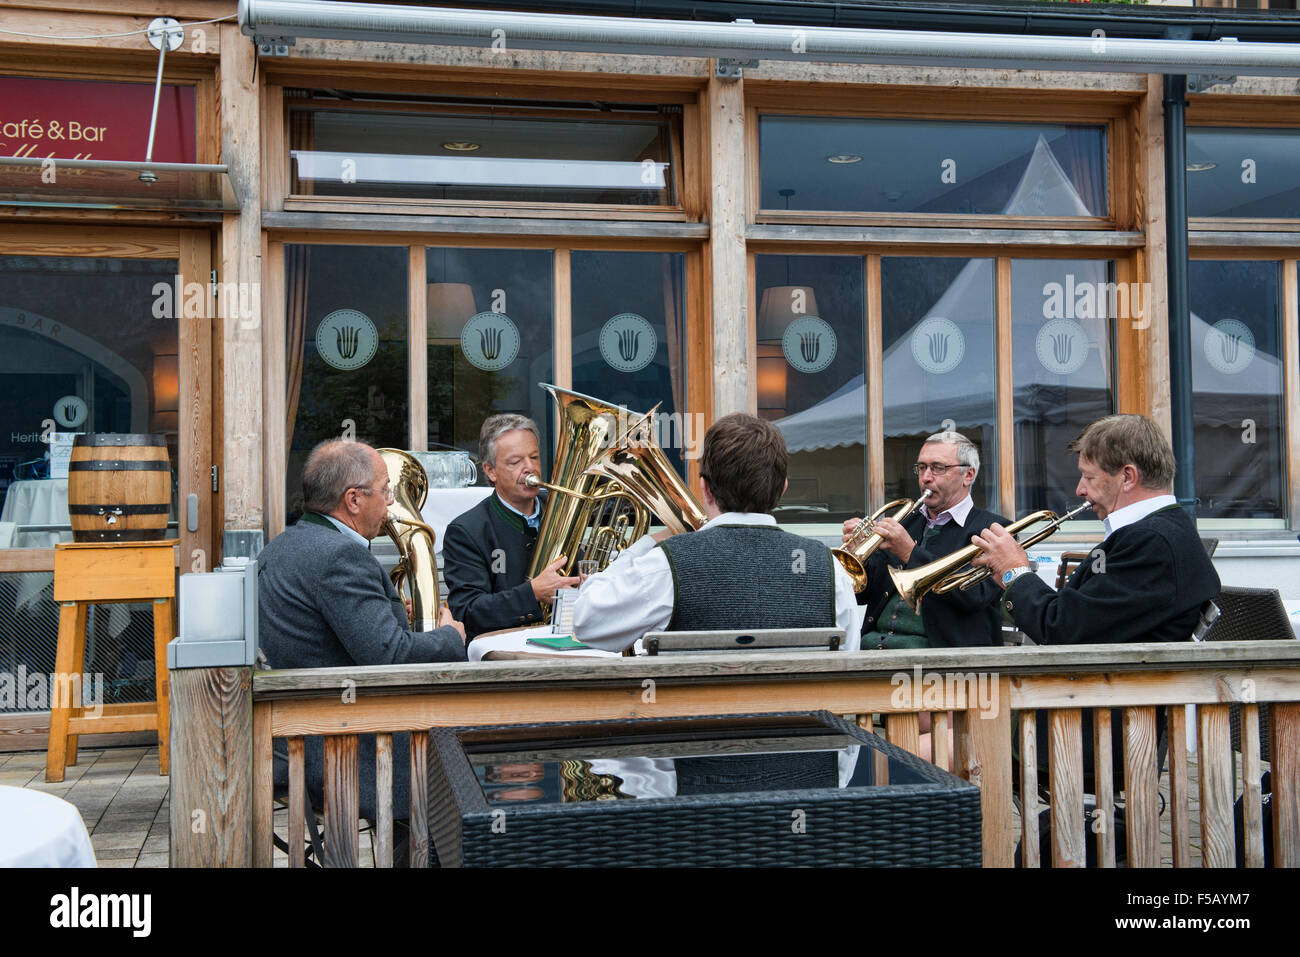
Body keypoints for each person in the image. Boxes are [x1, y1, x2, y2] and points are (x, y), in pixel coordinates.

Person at [258, 439, 467, 861]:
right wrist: (450, 637)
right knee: (472, 757)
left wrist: (386, 609)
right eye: (386, 490)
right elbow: (392, 656)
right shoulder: (339, 557)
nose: (391, 503)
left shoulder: (287, 544)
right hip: (345, 748)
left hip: (304, 735)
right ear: (353, 500)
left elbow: (328, 635)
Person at [573, 412, 865, 652]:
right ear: (783, 489)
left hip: (695, 724)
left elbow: (587, 622)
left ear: (705, 489)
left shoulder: (666, 565)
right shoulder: (829, 569)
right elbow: (847, 656)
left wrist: (647, 542)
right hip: (808, 724)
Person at [969, 413, 1220, 645]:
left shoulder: (1151, 542)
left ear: (1128, 477)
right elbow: (1077, 618)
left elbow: (1062, 630)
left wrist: (1015, 573)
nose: (1080, 490)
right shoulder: (1157, 532)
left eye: (1089, 477)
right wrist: (1013, 579)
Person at [842, 431, 1008, 649]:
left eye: (939, 468)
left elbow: (975, 596)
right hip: (873, 647)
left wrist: (911, 554)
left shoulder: (995, 530)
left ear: (968, 475)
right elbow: (864, 596)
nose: (926, 477)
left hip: (943, 662)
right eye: (922, 468)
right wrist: (857, 560)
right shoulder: (907, 524)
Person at [443, 414, 578, 640]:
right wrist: (532, 593)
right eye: (515, 462)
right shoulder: (466, 531)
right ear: (490, 471)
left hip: (570, 640)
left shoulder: (562, 512)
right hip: (500, 650)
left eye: (534, 457)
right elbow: (468, 610)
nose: (530, 468)